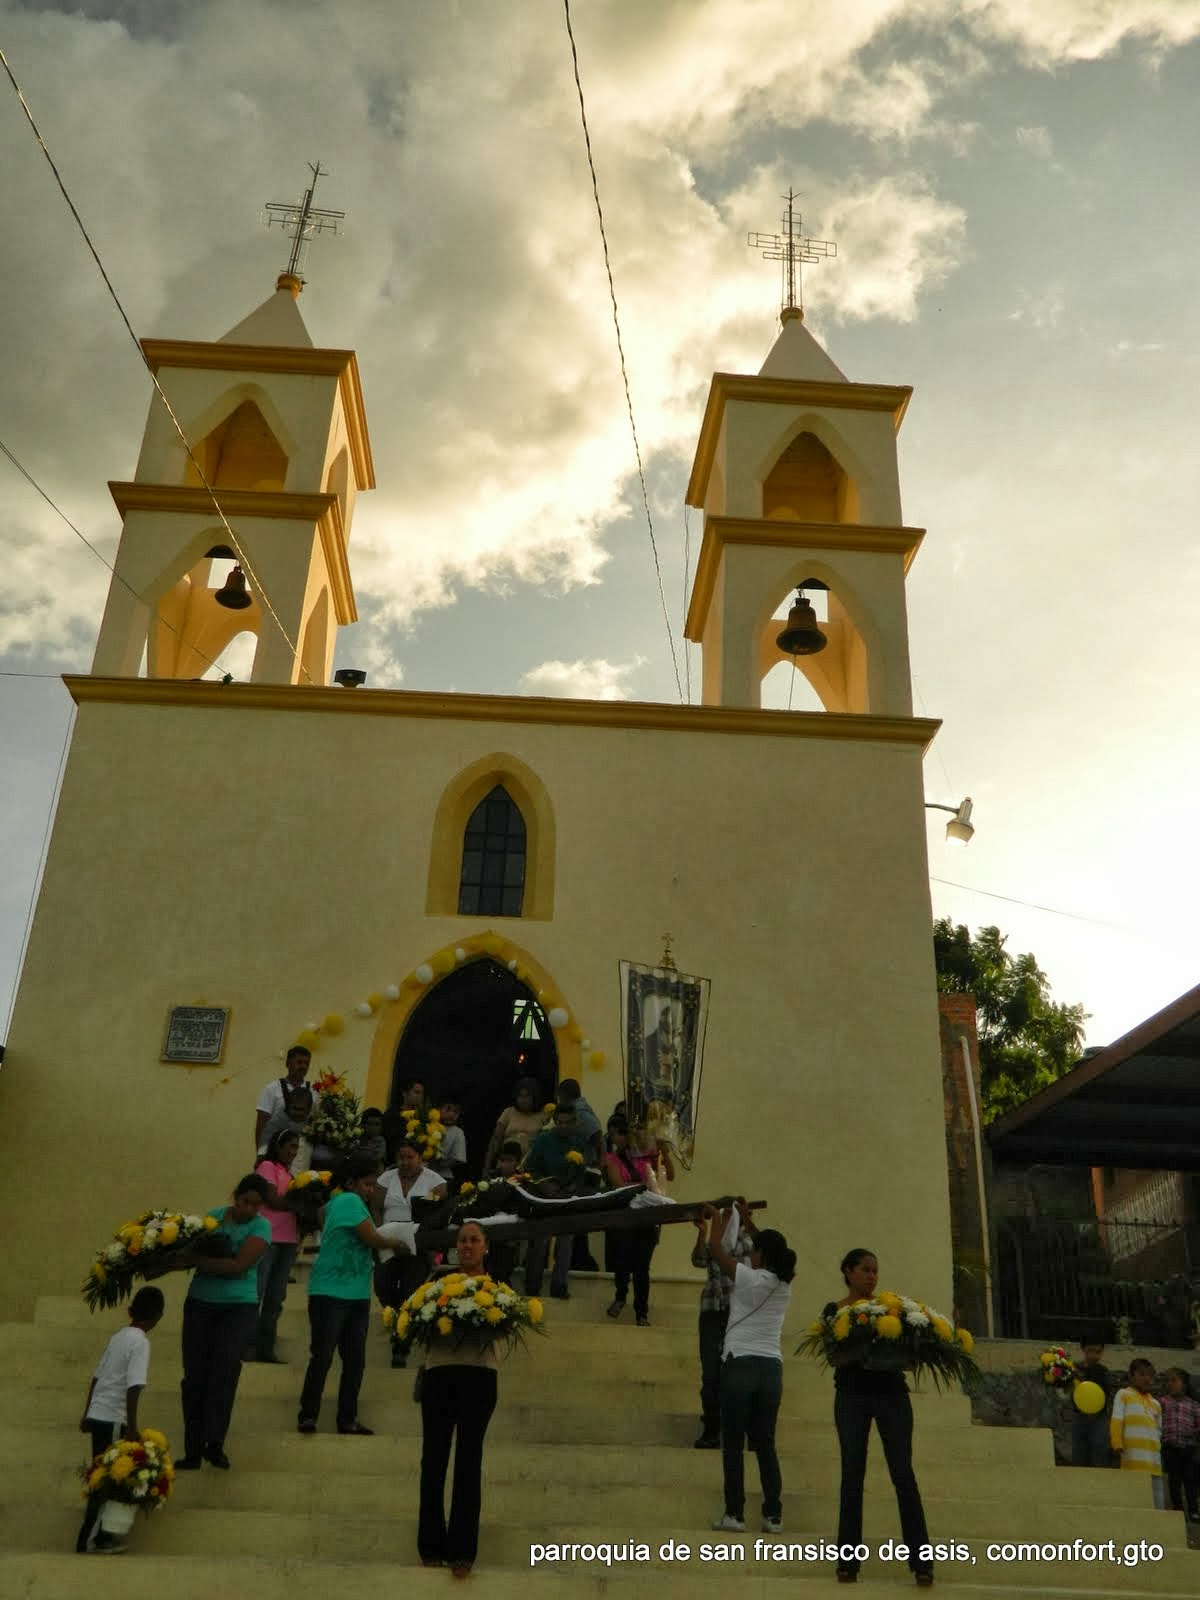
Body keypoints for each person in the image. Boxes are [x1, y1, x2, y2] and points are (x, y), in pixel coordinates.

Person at [826, 1249, 933, 1586]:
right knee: (852, 1473)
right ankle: (847, 1562)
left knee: (903, 1473)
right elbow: (831, 1353)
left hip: (891, 1396)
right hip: (851, 1396)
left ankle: (921, 1562)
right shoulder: (836, 1311)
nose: (871, 1276)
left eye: (875, 1270)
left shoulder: (892, 1310)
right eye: (864, 1270)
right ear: (847, 1272)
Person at [418, 1221, 501, 1577]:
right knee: (434, 1460)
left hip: (479, 1376)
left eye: (474, 1241)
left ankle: (463, 1549)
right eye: (462, 1241)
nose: (467, 1246)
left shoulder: (497, 1290)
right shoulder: (437, 1286)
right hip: (439, 1373)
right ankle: (430, 1544)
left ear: (485, 1247)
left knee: (469, 1461)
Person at [706, 1205, 794, 1537]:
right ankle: (773, 1515)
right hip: (771, 1369)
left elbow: (716, 1250)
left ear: (760, 1254)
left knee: (733, 1443)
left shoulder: (747, 1277)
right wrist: (749, 1221)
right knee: (765, 1444)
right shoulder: (784, 1285)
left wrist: (717, 1218)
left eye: (755, 1249)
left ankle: (735, 1513)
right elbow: (769, 1248)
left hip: (740, 1362)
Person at [178, 1174, 272, 1470]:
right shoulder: (213, 1217)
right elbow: (194, 1250)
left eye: (255, 1206)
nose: (248, 1210)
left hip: (238, 1307)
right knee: (195, 1376)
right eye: (245, 1202)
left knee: (225, 1371)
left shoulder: (262, 1227)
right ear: (236, 1196)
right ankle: (192, 1448)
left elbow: (239, 1266)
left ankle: (214, 1442)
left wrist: (202, 1262)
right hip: (201, 1304)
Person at [298, 1153, 395, 1435]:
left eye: (373, 1184)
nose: (371, 1189)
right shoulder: (349, 1201)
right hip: (332, 1292)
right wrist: (398, 1243)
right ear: (351, 1183)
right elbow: (372, 1239)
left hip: (351, 1292)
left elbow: (321, 1214)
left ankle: (325, 1416)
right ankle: (328, 1416)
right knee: (328, 1357)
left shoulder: (342, 1202)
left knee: (350, 1360)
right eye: (367, 1184)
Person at [76, 1285, 164, 1554]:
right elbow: (134, 1386)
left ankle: (93, 1537)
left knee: (102, 1474)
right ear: (158, 1318)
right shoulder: (141, 1343)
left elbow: (97, 1377)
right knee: (107, 1479)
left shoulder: (118, 1337)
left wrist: (88, 1411)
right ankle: (92, 1540)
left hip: (99, 1413)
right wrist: (132, 1427)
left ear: (131, 1311)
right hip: (115, 1417)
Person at [374, 1138, 446, 1367]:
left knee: (409, 1292)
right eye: (400, 1158)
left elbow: (436, 1212)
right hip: (387, 1243)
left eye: (409, 1157)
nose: (404, 1162)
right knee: (382, 1287)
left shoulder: (435, 1182)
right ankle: (398, 1320)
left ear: (420, 1158)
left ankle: (401, 1344)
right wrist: (379, 1235)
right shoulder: (385, 1179)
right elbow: (375, 1208)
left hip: (417, 1246)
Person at [691, 1198, 757, 1448]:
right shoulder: (716, 1238)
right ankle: (711, 1428)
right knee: (710, 1373)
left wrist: (744, 1219)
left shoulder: (745, 1240)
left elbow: (748, 1250)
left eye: (731, 1215)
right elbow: (699, 1259)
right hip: (712, 1310)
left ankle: (746, 1428)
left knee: (740, 1372)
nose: (727, 1219)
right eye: (724, 1214)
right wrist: (703, 1233)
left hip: (738, 1311)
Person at [603, 1116, 672, 1326]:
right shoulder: (612, 1159)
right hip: (625, 1216)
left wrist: (664, 1153)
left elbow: (670, 1175)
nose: (620, 1138)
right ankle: (621, 1296)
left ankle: (641, 1312)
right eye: (616, 1134)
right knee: (622, 1261)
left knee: (642, 1266)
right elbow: (617, 1185)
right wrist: (645, 1186)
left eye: (622, 1133)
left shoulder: (649, 1156)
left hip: (646, 1217)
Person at [524, 1103, 588, 1300]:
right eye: (559, 1122)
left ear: (574, 1123)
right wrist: (544, 1185)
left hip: (567, 1196)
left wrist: (572, 1187)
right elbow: (530, 1169)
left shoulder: (578, 1143)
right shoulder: (544, 1140)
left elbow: (582, 1173)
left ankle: (559, 1286)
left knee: (566, 1241)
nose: (563, 1127)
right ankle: (532, 1287)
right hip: (544, 1195)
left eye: (567, 1123)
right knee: (540, 1241)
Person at [253, 1128, 303, 1362]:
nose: (293, 1152)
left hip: (289, 1241)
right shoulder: (267, 1168)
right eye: (290, 1146)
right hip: (269, 1238)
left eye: (296, 1148)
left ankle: (266, 1348)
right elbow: (271, 1199)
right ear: (278, 1146)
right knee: (257, 1292)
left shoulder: (289, 1174)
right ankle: (247, 1345)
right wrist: (300, 1205)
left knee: (276, 1298)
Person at [1110, 1357, 1164, 1507]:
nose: (1147, 1378)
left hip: (1154, 1463)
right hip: (1132, 1460)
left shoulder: (1156, 1404)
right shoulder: (1123, 1395)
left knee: (1158, 1504)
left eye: (1150, 1375)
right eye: (1142, 1374)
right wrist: (1117, 1443)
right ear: (1131, 1376)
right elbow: (1117, 1420)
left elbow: (1159, 1431)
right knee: (1134, 1503)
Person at [254, 1046, 313, 1155]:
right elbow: (261, 1125)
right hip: (275, 1151)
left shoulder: (314, 1091)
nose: (303, 1066)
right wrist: (261, 1154)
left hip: (303, 1154)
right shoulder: (271, 1089)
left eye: (306, 1063)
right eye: (299, 1062)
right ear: (288, 1063)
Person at [1160, 1367, 1200, 1520]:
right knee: (1174, 1480)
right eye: (1168, 1381)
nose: (1170, 1384)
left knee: (1190, 1480)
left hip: (1188, 1447)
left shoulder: (1193, 1404)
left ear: (1184, 1383)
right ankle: (1178, 1511)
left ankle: (1193, 1511)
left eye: (1174, 1380)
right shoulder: (1163, 1402)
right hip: (1170, 1448)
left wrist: (1194, 1432)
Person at [483, 1077, 544, 1169]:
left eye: (527, 1096)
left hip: (530, 1167)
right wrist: (486, 1167)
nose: (523, 1100)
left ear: (535, 1097)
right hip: (505, 1166)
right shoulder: (508, 1112)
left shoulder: (544, 1115)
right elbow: (495, 1140)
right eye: (520, 1096)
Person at [1071, 1339, 1112, 1467]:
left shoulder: (1104, 1371)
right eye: (1090, 1351)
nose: (1094, 1355)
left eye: (1098, 1352)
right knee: (1079, 1456)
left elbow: (1106, 1395)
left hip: (1099, 1418)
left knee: (1100, 1455)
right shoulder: (1074, 1370)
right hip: (1080, 1417)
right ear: (1083, 1350)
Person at [259, 1086, 312, 1155]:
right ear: (288, 1107)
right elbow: (264, 1146)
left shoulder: (314, 1123)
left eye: (301, 1109)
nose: (297, 1113)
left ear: (308, 1110)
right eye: (294, 1108)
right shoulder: (276, 1122)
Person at [433, 1099, 468, 1187]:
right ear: (438, 1109)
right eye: (448, 1109)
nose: (451, 1114)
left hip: (442, 1177)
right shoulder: (427, 1125)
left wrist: (439, 1163)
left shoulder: (458, 1132)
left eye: (455, 1112)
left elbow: (458, 1159)